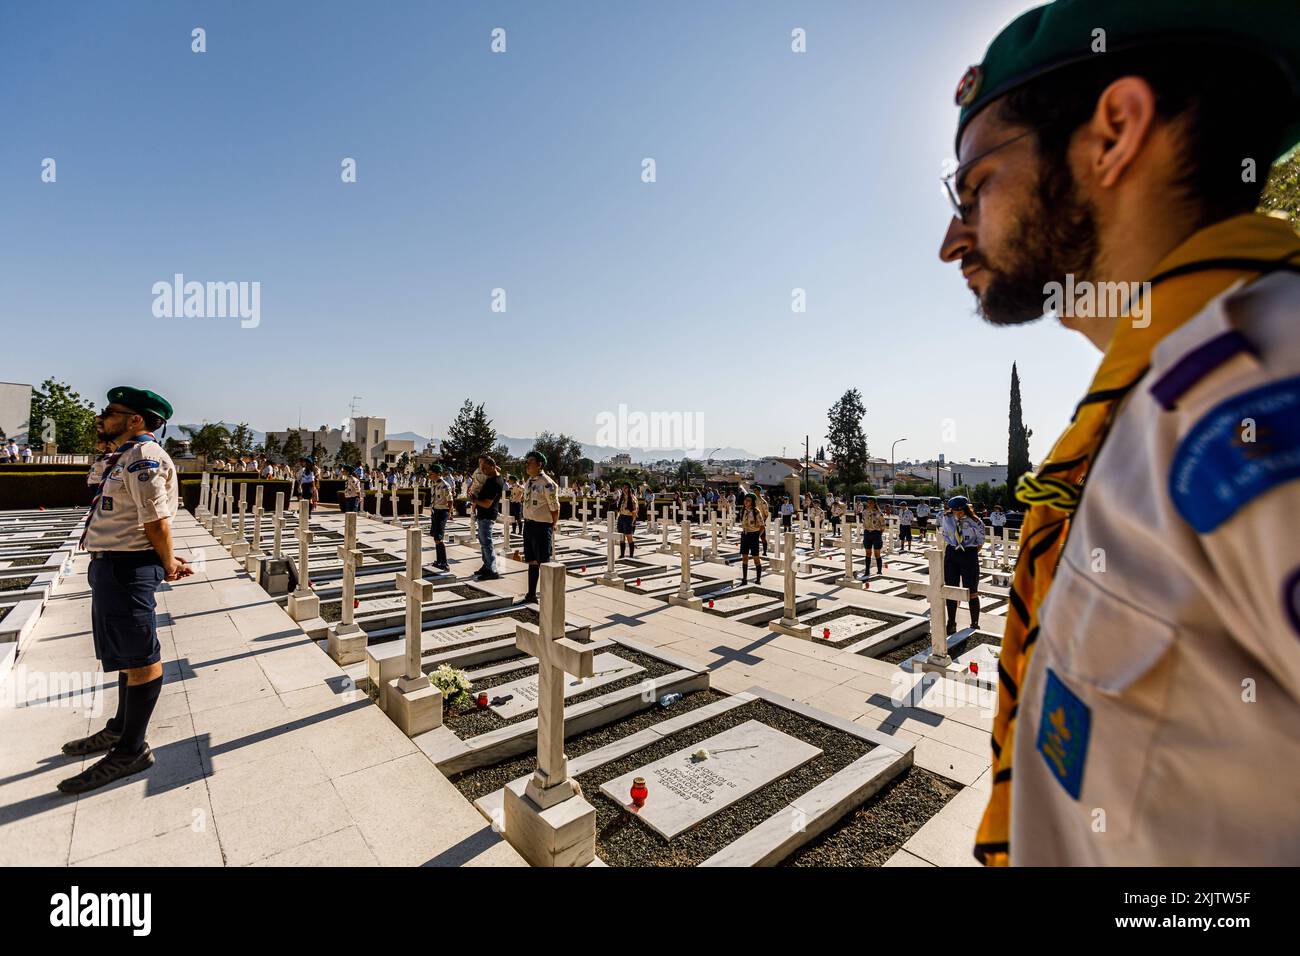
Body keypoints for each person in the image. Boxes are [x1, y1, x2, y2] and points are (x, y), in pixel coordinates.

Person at [940, 0, 1300, 866]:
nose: (953, 240)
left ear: (1114, 133)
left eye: (976, 185)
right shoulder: (1155, 402)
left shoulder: (1259, 393)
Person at [58, 387, 192, 794]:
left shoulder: (144, 459)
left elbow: (156, 522)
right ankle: (120, 729)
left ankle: (132, 749)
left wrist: (167, 563)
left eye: (111, 412)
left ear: (136, 420)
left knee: (142, 656)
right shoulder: (124, 456)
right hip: (112, 564)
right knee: (126, 654)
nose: (102, 416)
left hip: (128, 568)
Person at [939, 496, 985, 636]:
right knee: (951, 589)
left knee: (971, 590)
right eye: (955, 511)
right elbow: (945, 534)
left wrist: (968, 554)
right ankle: (951, 622)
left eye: (960, 511)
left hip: (969, 553)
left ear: (966, 509)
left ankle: (974, 623)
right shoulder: (947, 518)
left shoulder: (976, 521)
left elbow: (980, 542)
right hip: (952, 553)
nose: (957, 514)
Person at [520, 451, 560, 603]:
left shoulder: (547, 483)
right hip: (529, 525)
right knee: (531, 561)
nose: (527, 464)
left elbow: (554, 508)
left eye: (530, 462)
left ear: (539, 464)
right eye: (527, 461)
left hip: (541, 526)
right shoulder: (529, 481)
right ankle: (531, 594)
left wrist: (552, 525)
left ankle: (548, 597)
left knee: (543, 561)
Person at [470, 456, 504, 580]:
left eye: (484, 467)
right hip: (484, 514)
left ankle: (492, 569)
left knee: (487, 542)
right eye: (481, 467)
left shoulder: (494, 481)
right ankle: (486, 565)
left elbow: (487, 503)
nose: (482, 470)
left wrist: (474, 499)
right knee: (483, 542)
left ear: (492, 466)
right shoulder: (492, 477)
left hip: (487, 514)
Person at [428, 464, 454, 571]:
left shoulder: (445, 485)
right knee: (435, 537)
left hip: (442, 511)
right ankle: (439, 561)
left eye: (432, 474)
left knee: (439, 538)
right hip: (435, 511)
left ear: (438, 474)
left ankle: (445, 563)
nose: (430, 476)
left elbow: (450, 500)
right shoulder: (433, 483)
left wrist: (449, 513)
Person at [738, 493, 764, 585]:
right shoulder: (743, 510)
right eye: (745, 500)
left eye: (748, 500)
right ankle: (744, 579)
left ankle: (758, 579)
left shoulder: (756, 512)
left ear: (752, 502)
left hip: (753, 535)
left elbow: (762, 526)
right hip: (745, 535)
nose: (746, 502)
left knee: (755, 558)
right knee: (744, 557)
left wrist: (757, 536)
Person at [861, 499, 886, 576]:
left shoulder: (878, 513)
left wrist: (878, 533)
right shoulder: (864, 512)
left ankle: (879, 571)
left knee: (877, 554)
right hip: (867, 533)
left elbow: (883, 525)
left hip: (876, 533)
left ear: (874, 503)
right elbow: (863, 522)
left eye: (871, 502)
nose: (869, 504)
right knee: (868, 553)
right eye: (868, 502)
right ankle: (867, 571)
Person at [615, 482, 638, 558]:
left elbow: (635, 511)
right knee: (621, 537)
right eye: (623, 487)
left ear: (629, 489)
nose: (624, 489)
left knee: (629, 538)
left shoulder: (632, 498)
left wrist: (633, 522)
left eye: (626, 487)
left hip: (628, 518)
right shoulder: (622, 498)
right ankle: (622, 554)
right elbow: (619, 509)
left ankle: (631, 555)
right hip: (621, 518)